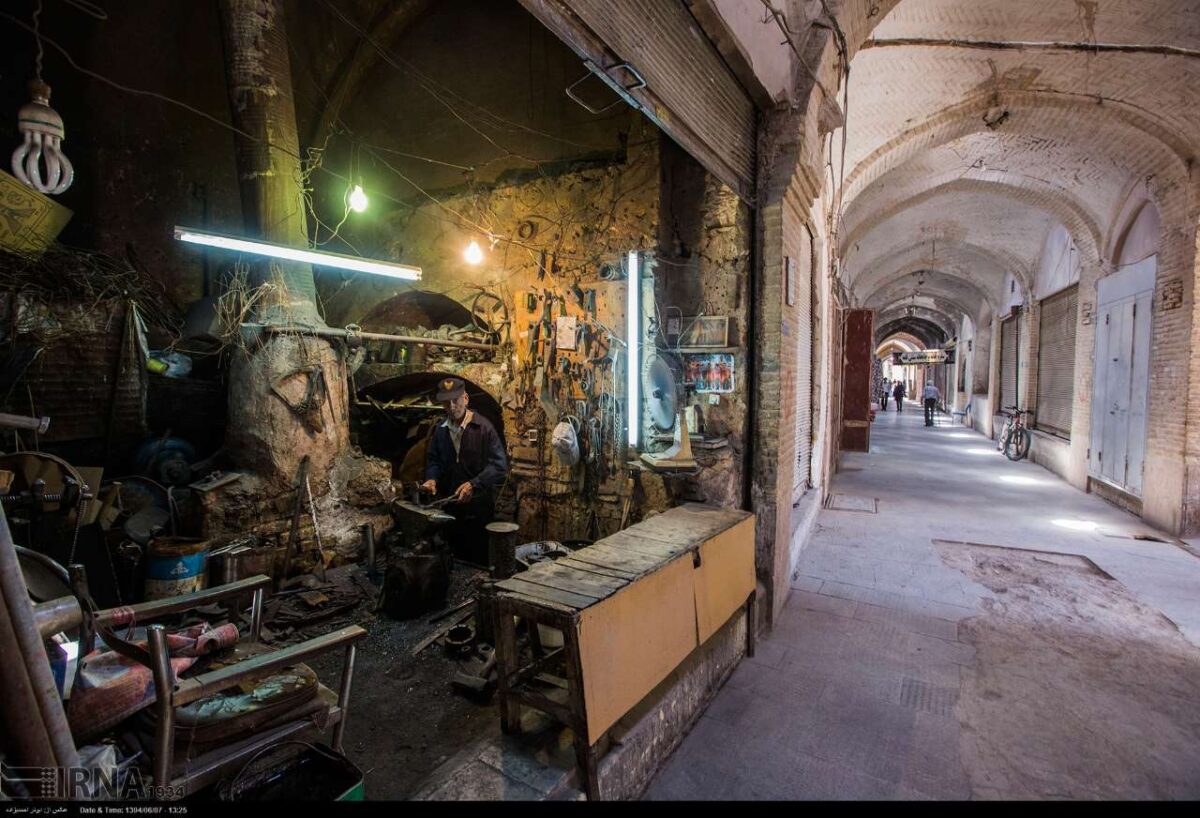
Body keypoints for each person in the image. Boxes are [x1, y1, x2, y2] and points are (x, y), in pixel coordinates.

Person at [421, 377, 508, 565]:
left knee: (478, 560)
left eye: (456, 400)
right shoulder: (440, 430)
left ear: (466, 398)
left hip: (478, 510)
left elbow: (499, 465)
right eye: (446, 402)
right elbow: (434, 460)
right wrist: (432, 479)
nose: (452, 406)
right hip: (450, 508)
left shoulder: (483, 428)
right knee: (452, 558)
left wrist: (473, 484)